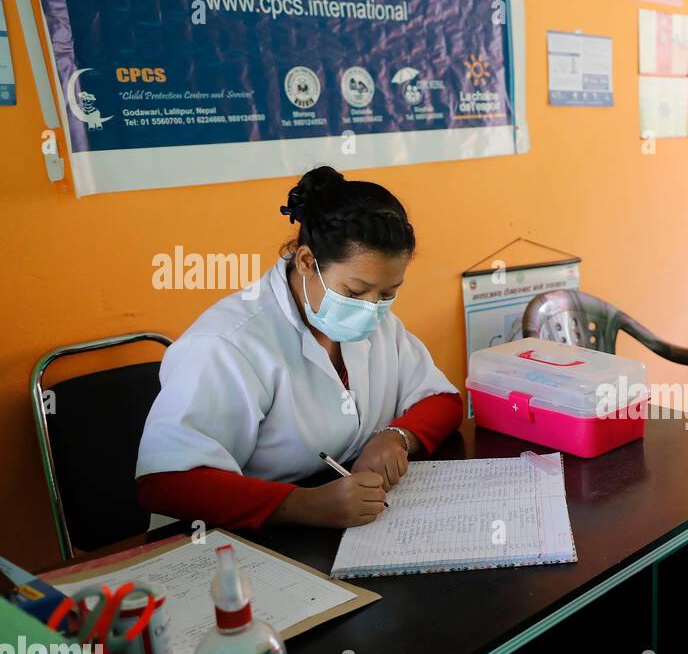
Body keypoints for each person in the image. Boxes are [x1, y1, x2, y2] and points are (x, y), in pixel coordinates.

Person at [136, 166, 463, 530]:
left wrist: (396, 437)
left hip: (342, 519)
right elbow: (165, 482)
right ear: (307, 262)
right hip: (233, 537)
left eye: (388, 293)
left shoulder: (376, 323)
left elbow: (442, 401)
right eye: (355, 292)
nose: (372, 308)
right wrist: (305, 504)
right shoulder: (227, 342)